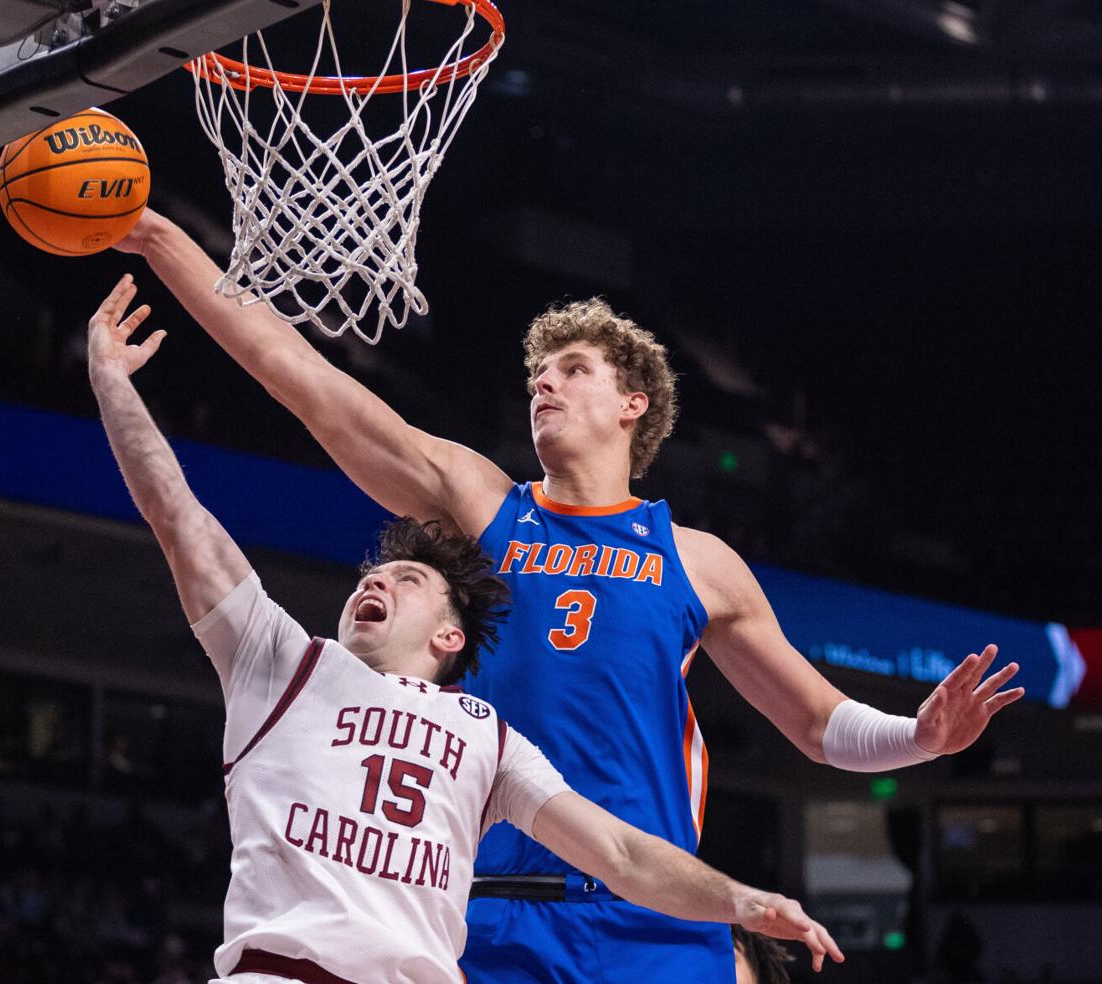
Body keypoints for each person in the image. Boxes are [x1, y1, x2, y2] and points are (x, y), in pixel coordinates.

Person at [111, 211, 1025, 982]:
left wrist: (920, 737)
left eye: (573, 370)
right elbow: (309, 386)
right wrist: (159, 240)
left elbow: (819, 724)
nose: (543, 381)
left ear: (635, 404)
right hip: (494, 919)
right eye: (536, 373)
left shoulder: (698, 562)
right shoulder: (484, 508)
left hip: (653, 913)